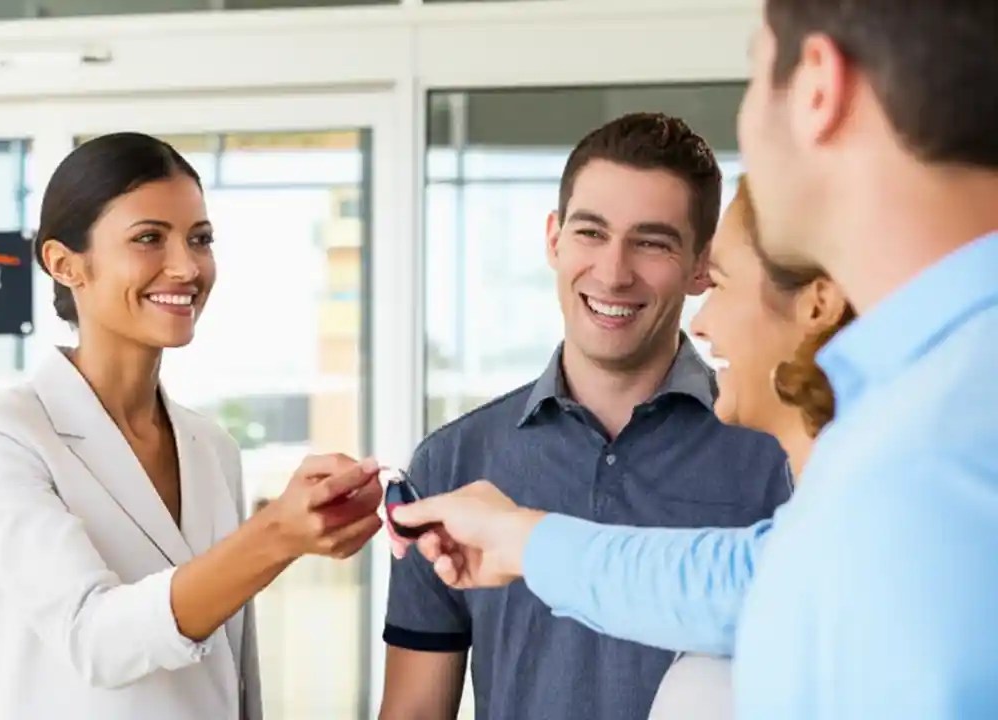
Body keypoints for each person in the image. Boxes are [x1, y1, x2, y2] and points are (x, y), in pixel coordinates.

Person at [392, 2, 998, 717]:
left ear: (815, 88)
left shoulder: (918, 439)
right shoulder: (915, 412)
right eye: (592, 232)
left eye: (751, 75)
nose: (615, 271)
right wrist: (524, 539)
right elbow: (749, 578)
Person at [0, 132, 385, 720]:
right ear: (64, 263)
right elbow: (95, 638)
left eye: (199, 239)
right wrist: (277, 534)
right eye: (149, 238)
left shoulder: (211, 446)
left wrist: (288, 532)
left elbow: (234, 671)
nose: (186, 267)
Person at [378, 113, 791, 720]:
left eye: (651, 242)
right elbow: (413, 712)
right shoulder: (452, 463)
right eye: (591, 233)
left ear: (702, 265)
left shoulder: (774, 459)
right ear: (553, 238)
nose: (613, 271)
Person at [646, 176, 852, 719]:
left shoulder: (863, 545)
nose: (701, 322)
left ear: (816, 305)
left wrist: (523, 541)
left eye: (720, 283)